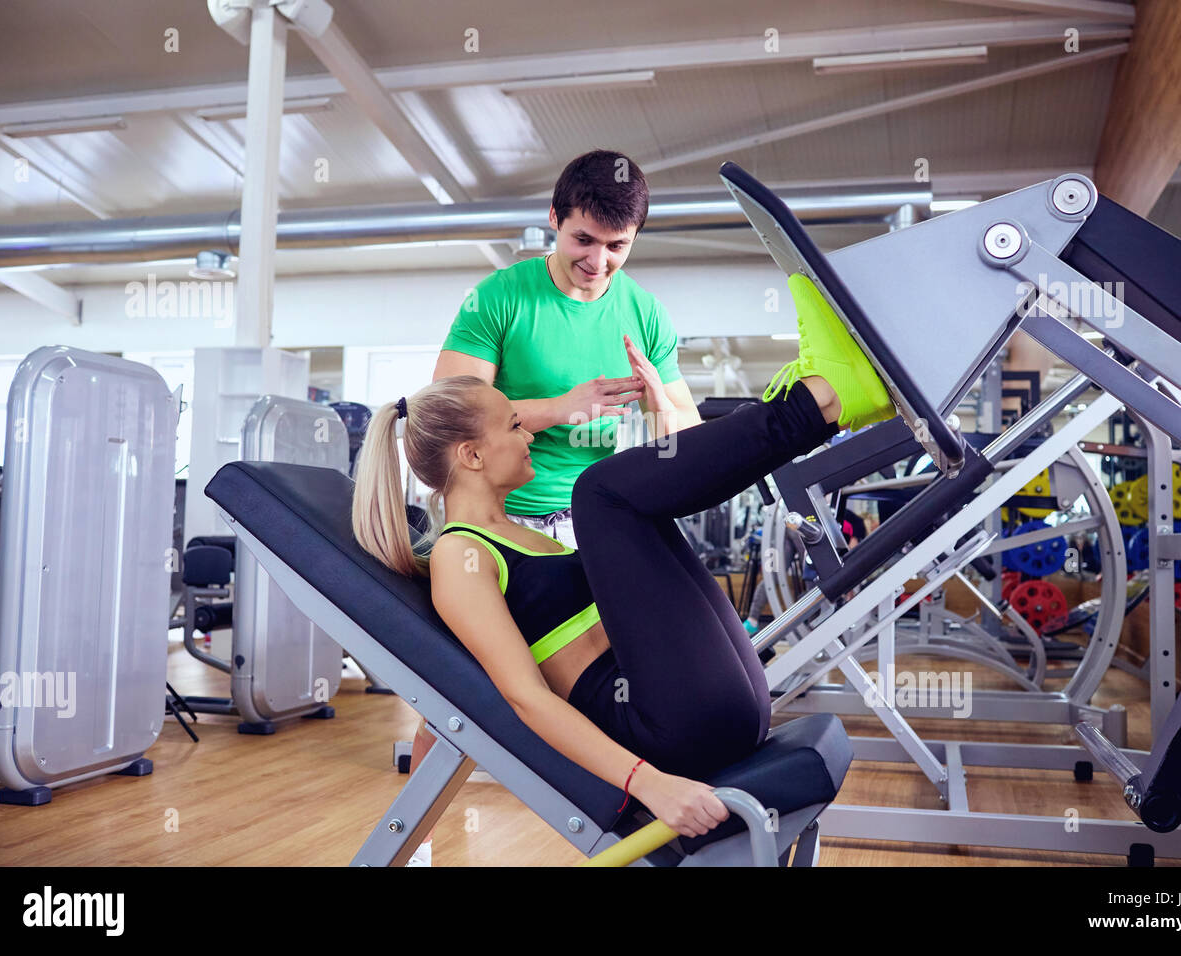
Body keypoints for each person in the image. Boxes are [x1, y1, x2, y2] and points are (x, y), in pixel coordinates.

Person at [350, 282, 896, 848]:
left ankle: (828, 399)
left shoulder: (513, 535)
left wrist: (665, 412)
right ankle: (825, 398)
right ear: (471, 455)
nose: (531, 433)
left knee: (629, 504)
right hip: (666, 730)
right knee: (599, 492)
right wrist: (652, 785)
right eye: (514, 424)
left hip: (719, 705)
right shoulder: (459, 554)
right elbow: (525, 697)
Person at [404, 149, 701, 863]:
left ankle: (639, 810)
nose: (598, 261)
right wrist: (561, 407)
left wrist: (662, 405)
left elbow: (687, 436)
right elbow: (448, 417)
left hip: (595, 523)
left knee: (610, 681)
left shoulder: (645, 312)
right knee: (455, 697)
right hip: (505, 518)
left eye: (617, 247)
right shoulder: (501, 298)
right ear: (554, 222)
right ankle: (418, 840)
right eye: (583, 240)